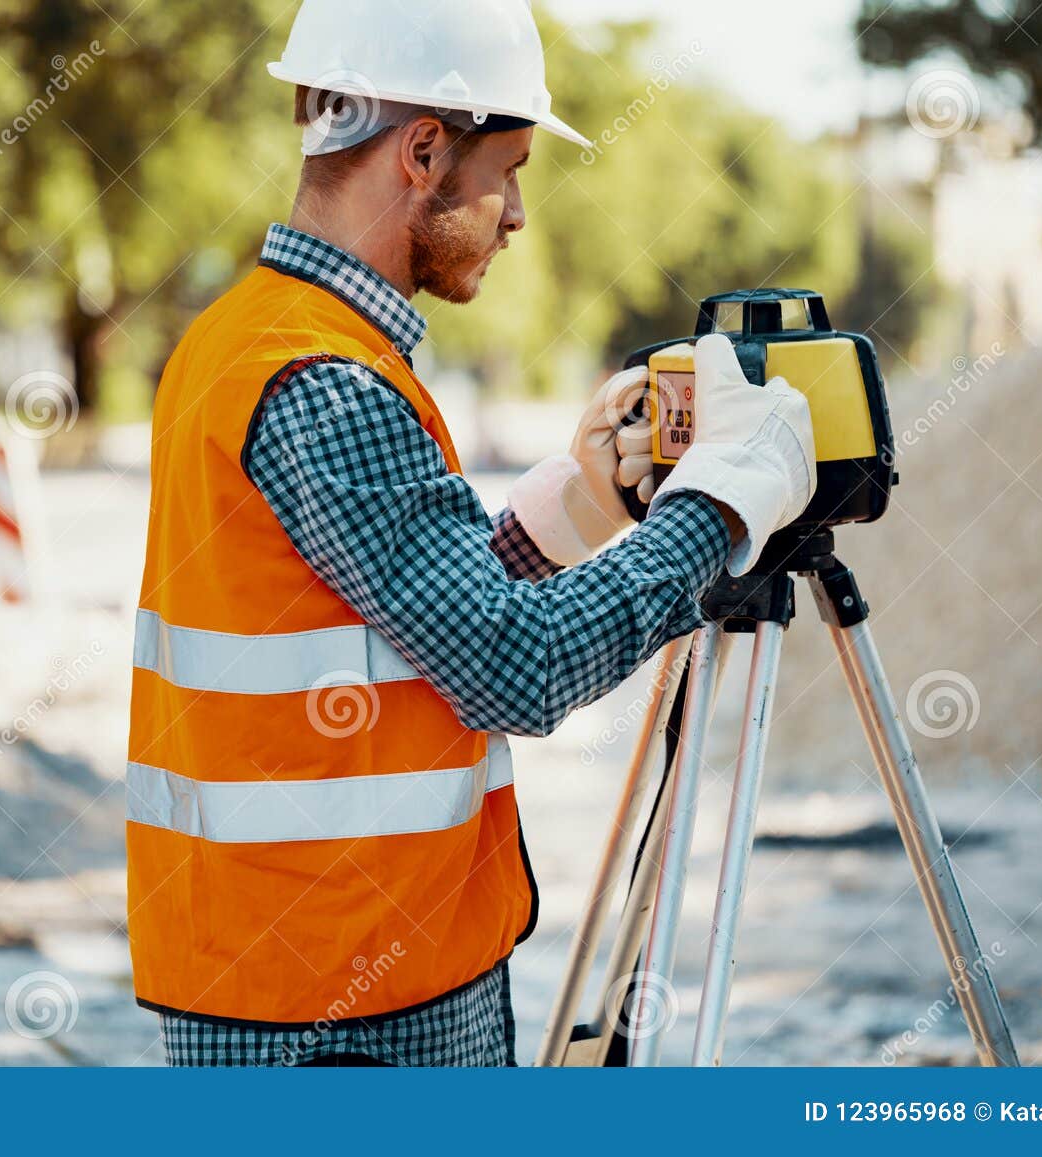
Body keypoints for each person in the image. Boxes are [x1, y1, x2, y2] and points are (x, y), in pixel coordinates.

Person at [125, 0, 817, 1067]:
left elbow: (385, 614)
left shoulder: (248, 337)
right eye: (512, 169)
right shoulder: (331, 382)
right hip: (344, 1007)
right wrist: (720, 506)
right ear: (421, 150)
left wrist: (564, 513)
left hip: (302, 972)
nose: (516, 216)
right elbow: (512, 665)